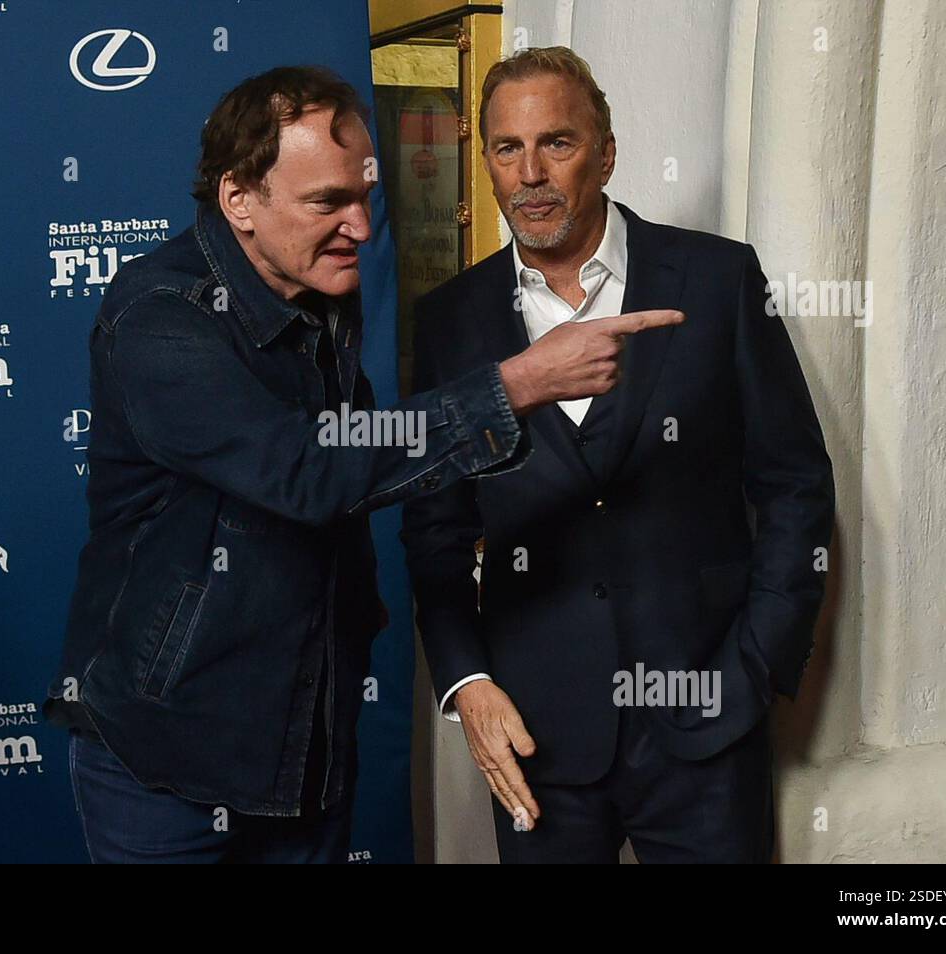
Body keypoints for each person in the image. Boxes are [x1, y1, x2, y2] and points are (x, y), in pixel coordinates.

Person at [43, 64, 682, 863]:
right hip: (169, 763)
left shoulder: (316, 289)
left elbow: (370, 461)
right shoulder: (159, 319)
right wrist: (515, 384)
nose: (362, 228)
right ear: (240, 199)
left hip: (306, 746)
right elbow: (306, 471)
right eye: (327, 204)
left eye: (363, 196)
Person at [402, 47, 834, 863]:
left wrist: (759, 662)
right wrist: (469, 682)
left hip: (708, 720)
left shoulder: (716, 279)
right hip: (535, 733)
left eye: (556, 144)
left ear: (605, 153)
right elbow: (435, 529)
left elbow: (795, 483)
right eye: (506, 148)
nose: (529, 173)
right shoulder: (452, 319)